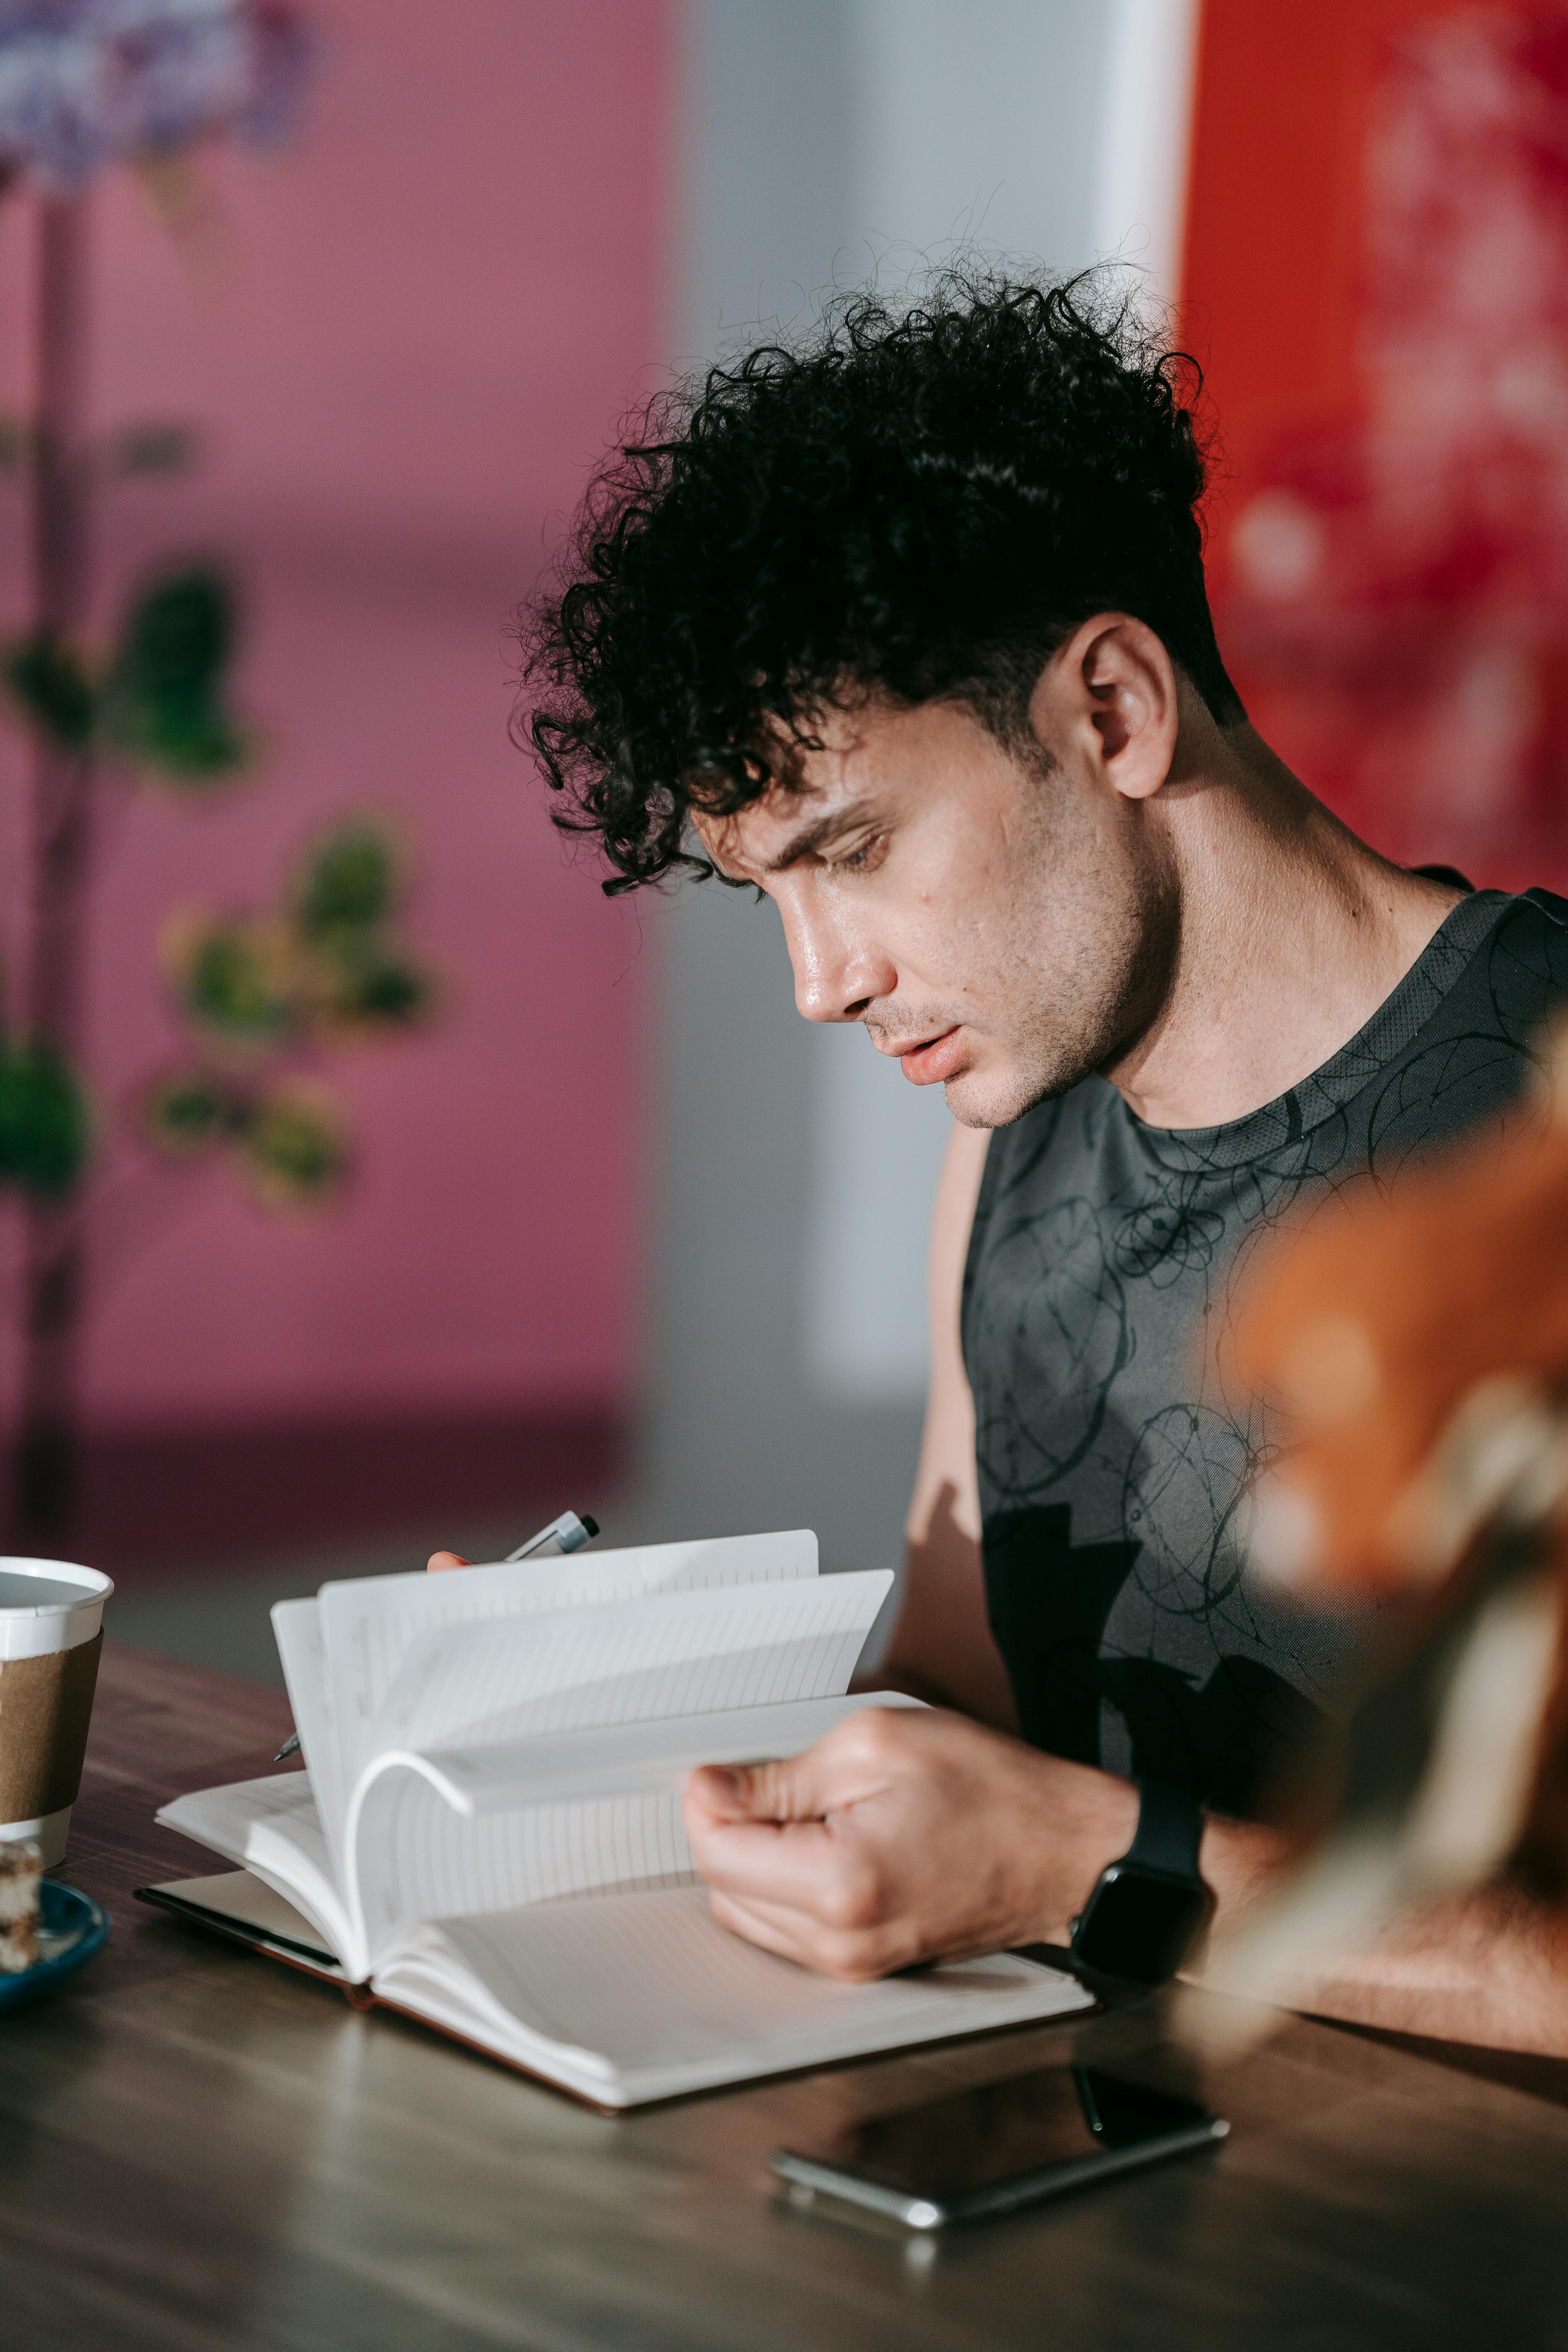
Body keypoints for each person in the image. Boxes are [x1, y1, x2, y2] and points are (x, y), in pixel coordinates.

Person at [448, 274, 1568, 2051]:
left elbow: (1053, 1844)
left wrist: (1092, 1870)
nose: (822, 985)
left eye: (862, 849)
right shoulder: (1013, 1149)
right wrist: (638, 1712)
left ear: (1112, 711)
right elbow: (969, 1719)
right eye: (772, 902)